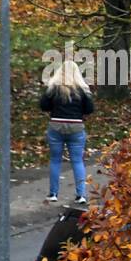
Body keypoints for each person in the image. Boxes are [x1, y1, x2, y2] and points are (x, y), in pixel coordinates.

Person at [40, 59, 94, 205]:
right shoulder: (81, 90)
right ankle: (81, 194)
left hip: (56, 126)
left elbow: (43, 105)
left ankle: (53, 193)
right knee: (77, 161)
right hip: (76, 127)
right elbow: (89, 109)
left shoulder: (54, 88)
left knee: (55, 160)